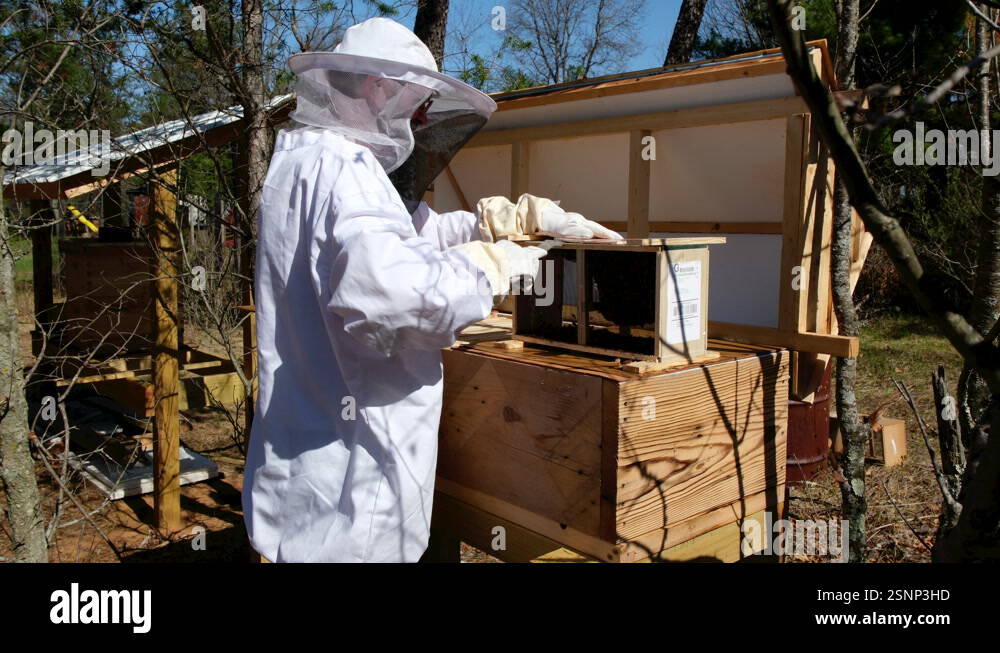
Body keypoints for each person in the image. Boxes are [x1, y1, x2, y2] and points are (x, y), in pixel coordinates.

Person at [242, 17, 621, 563]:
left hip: (303, 464)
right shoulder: (346, 170)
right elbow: (399, 300)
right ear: (378, 86)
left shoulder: (303, 161)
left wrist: (502, 222)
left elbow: (398, 239)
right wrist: (488, 267)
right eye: (418, 99)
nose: (421, 116)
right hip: (356, 483)